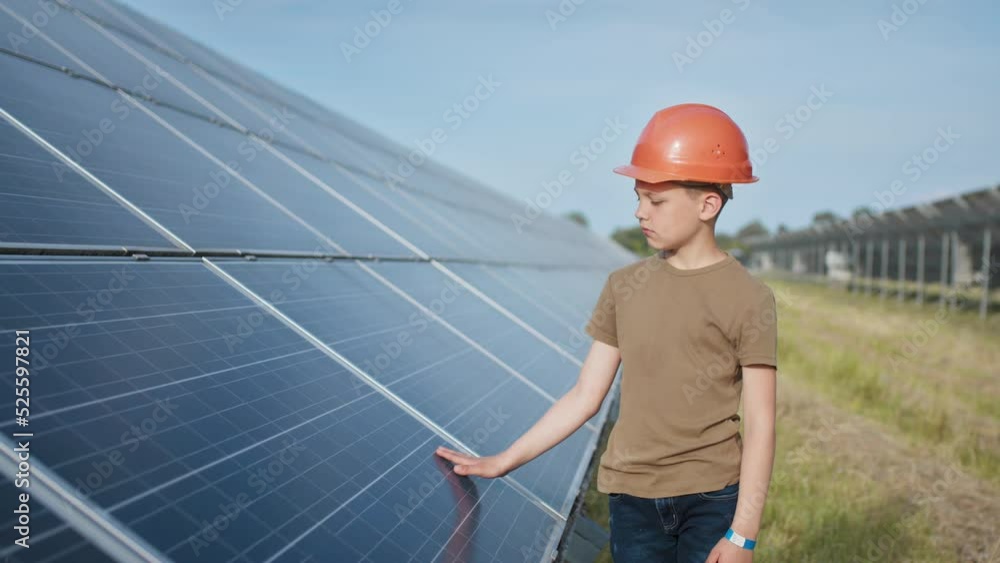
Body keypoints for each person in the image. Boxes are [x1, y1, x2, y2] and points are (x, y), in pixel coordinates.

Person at [435, 103, 778, 563]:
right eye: (637, 197)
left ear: (708, 204)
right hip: (631, 499)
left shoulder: (749, 298)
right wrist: (504, 460)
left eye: (656, 201)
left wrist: (743, 535)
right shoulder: (624, 287)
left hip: (713, 498)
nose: (640, 212)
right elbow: (584, 396)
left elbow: (760, 423)